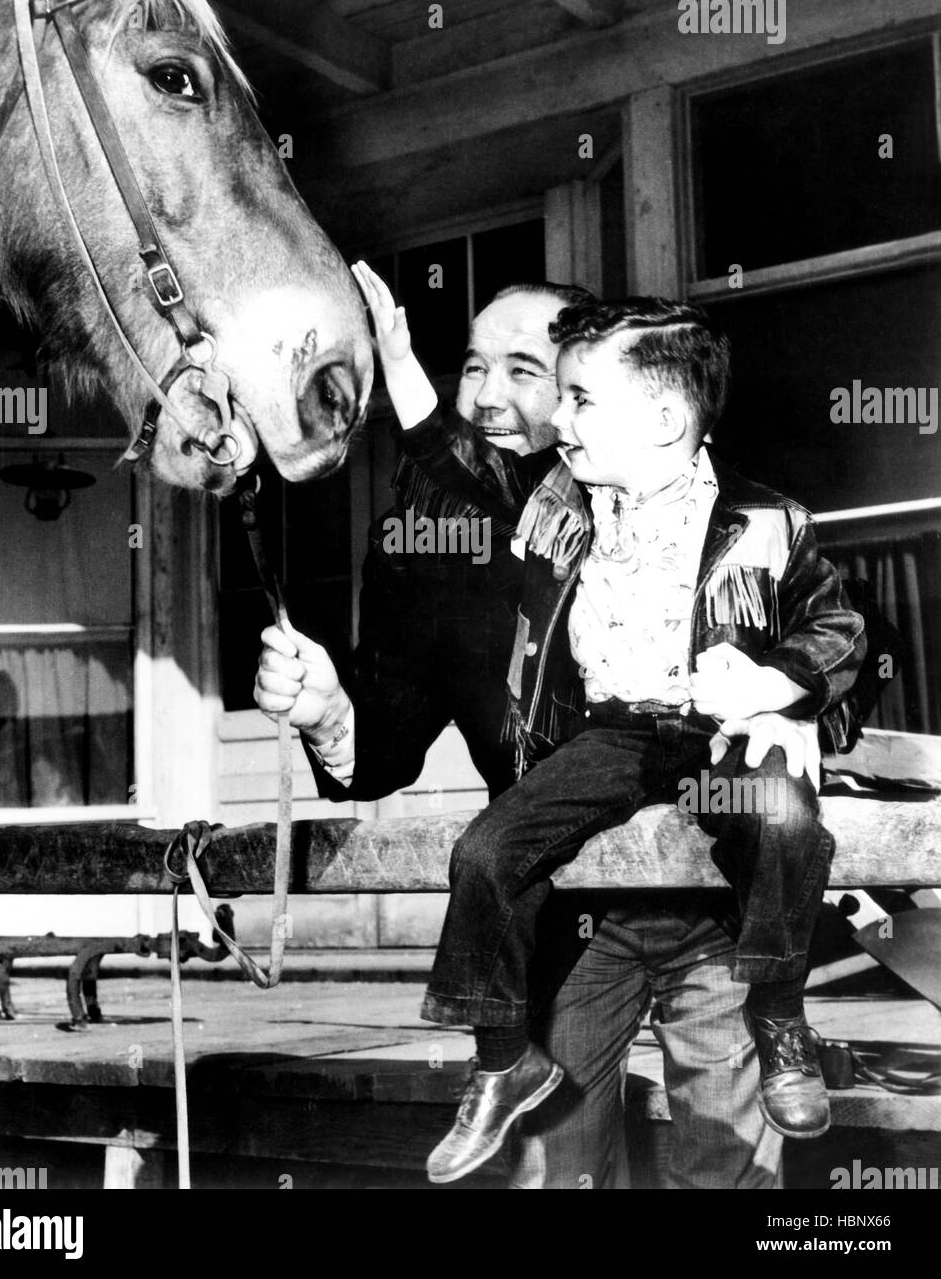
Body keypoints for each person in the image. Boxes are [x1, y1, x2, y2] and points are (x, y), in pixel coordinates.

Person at [254, 277, 813, 1189]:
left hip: (718, 915)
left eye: (526, 369)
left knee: (729, 1177)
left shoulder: (721, 504)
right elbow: (383, 738)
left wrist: (792, 699)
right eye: (471, 366)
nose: (483, 397)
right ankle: (503, 1067)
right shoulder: (454, 539)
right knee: (554, 1179)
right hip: (561, 925)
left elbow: (845, 631)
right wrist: (324, 704)